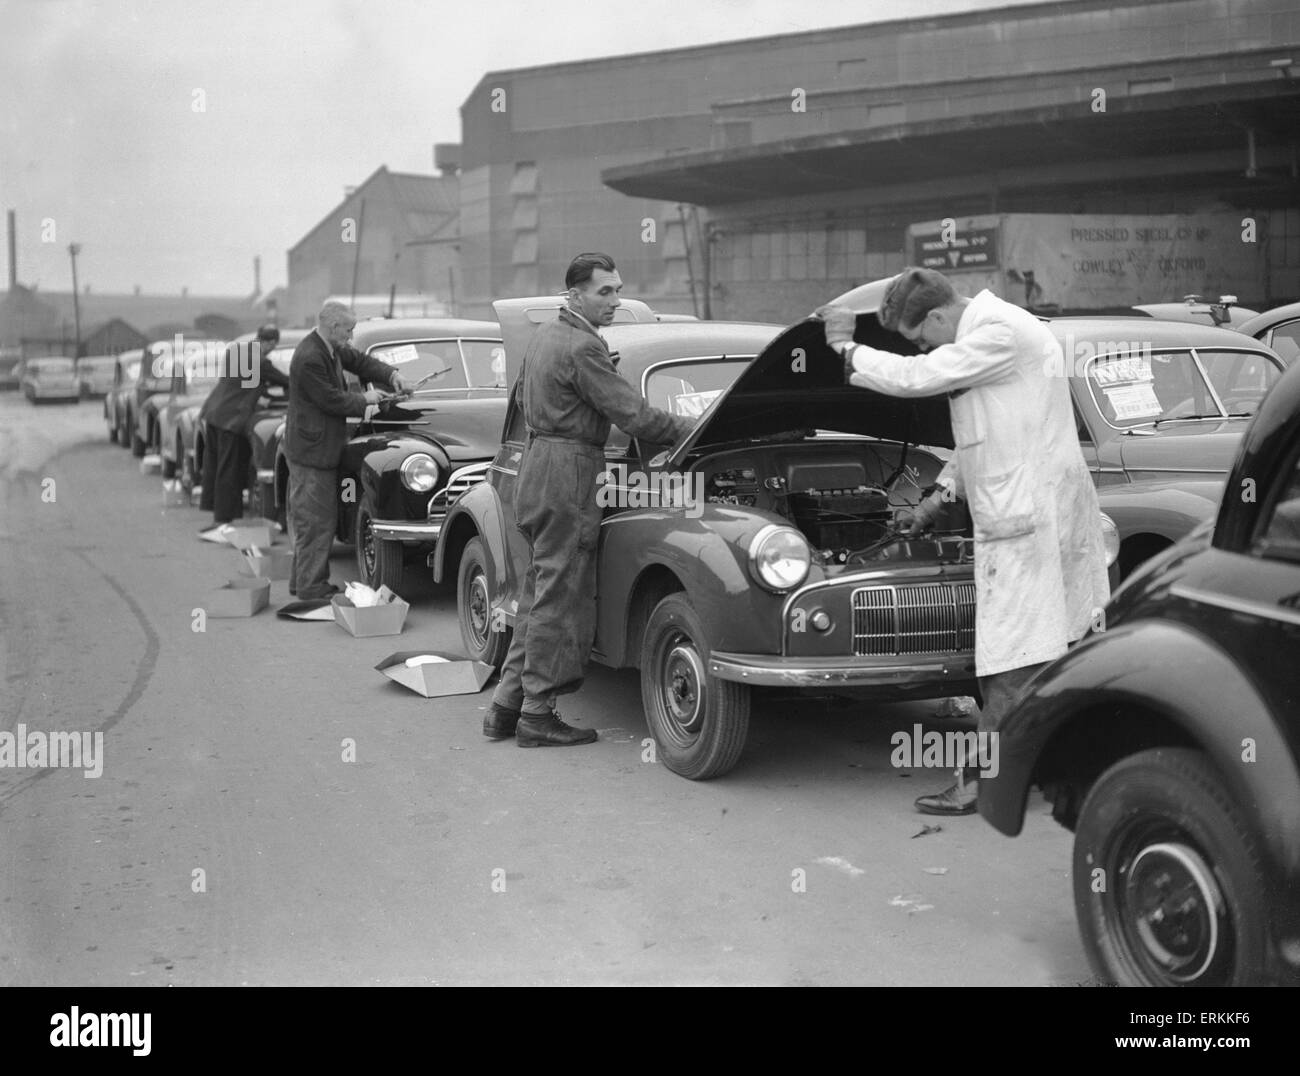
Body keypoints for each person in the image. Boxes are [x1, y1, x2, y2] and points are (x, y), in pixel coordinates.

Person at [818, 267, 1110, 815]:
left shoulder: (1000, 331)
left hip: (1028, 518)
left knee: (1012, 658)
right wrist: (937, 497)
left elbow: (913, 378)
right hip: (1032, 506)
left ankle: (985, 782)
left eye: (919, 335)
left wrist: (843, 346)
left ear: (935, 314)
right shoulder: (994, 332)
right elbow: (985, 432)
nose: (923, 345)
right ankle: (1063, 770)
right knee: (1047, 647)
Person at [484, 252, 695, 748]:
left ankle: (505, 707)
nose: (616, 301)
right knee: (562, 597)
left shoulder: (546, 337)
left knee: (538, 595)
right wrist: (700, 427)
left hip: (538, 466)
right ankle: (537, 716)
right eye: (605, 291)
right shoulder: (582, 347)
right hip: (570, 472)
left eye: (618, 290)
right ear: (573, 294)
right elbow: (637, 417)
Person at [284, 301, 410, 601]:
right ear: (332, 327)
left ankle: (302, 581)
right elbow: (330, 399)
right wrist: (366, 399)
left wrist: (391, 375)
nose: (351, 336)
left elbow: (360, 361)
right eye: (349, 330)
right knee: (316, 520)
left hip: (316, 447)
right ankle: (312, 588)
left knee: (312, 518)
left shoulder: (329, 346)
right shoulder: (310, 356)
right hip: (311, 452)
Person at [197, 325, 287, 527]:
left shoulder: (236, 351)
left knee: (216, 467)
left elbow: (242, 382)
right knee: (229, 469)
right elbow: (286, 380)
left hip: (214, 412)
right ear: (271, 343)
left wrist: (260, 390)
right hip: (231, 418)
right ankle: (224, 520)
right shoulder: (260, 361)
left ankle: (221, 517)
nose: (272, 349)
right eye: (273, 346)